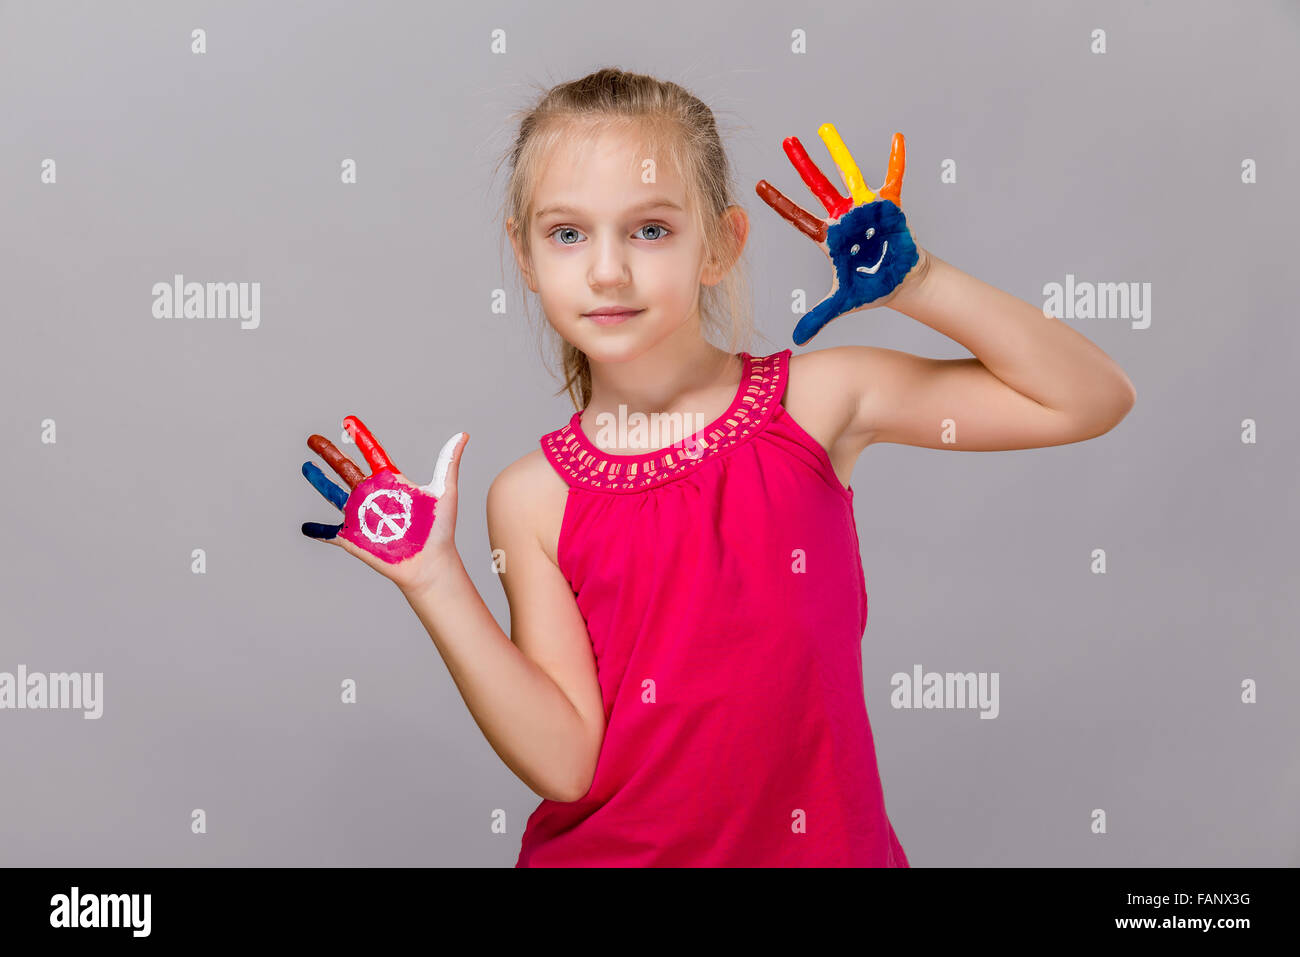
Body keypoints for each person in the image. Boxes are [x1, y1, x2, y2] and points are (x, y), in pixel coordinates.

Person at [301, 67, 1136, 867]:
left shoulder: (819, 401)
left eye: (651, 229)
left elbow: (1086, 399)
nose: (607, 269)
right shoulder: (531, 499)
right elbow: (565, 765)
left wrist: (922, 283)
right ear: (523, 256)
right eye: (567, 233)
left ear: (722, 244)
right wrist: (434, 578)